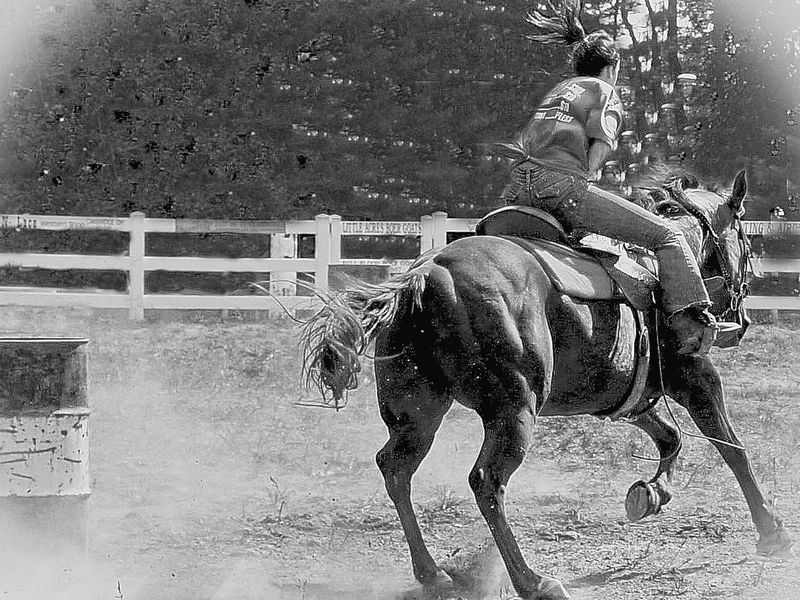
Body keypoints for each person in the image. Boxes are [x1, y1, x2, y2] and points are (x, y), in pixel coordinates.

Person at [495, 0, 739, 356]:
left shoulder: (559, 91)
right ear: (613, 67)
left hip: (517, 189)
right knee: (667, 236)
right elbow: (601, 145)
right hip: (562, 188)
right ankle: (692, 324)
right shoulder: (603, 90)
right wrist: (591, 173)